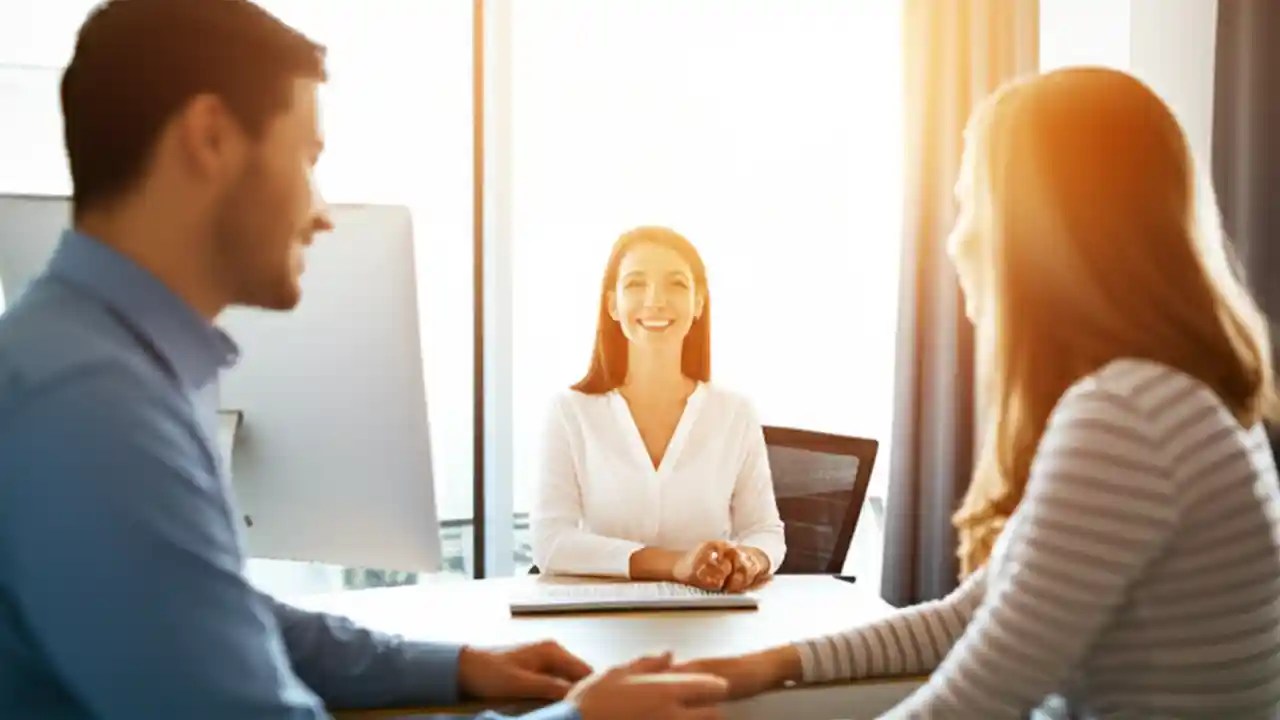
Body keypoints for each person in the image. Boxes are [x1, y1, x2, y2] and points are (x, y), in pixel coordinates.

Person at [0, 2, 727, 719]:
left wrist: (458, 666)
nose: (321, 210)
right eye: (308, 158)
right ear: (210, 138)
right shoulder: (92, 406)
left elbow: (226, 614)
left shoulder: (95, 362)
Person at [673, 67, 1280, 717]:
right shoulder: (1170, 397)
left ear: (1045, 234)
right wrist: (750, 669)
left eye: (970, 208)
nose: (956, 240)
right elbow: (968, 618)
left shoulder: (1125, 419)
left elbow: (972, 702)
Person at [531, 227, 785, 593]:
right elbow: (551, 541)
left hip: (710, 616)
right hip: (600, 622)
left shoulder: (735, 413)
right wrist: (676, 565)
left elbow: (765, 531)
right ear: (612, 305)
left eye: (676, 285)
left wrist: (748, 559)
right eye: (635, 284)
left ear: (699, 303)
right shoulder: (570, 412)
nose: (656, 300)